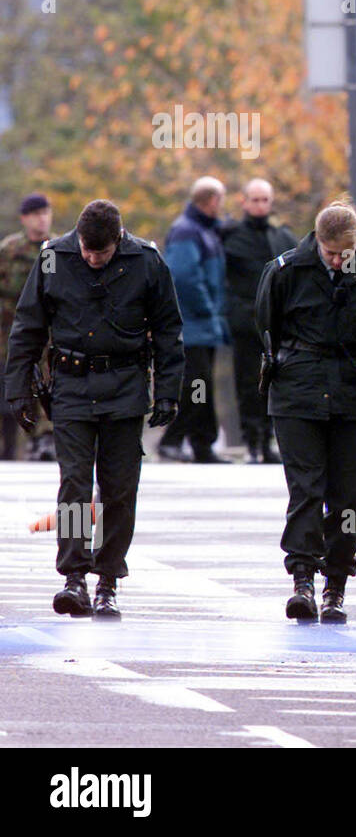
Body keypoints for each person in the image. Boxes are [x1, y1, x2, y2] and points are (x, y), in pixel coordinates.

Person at [4, 199, 184, 619]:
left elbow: (169, 330)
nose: (91, 257)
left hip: (124, 386)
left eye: (99, 252)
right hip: (70, 387)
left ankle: (108, 579)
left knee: (119, 489)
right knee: (74, 486)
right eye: (86, 249)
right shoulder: (54, 259)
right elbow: (27, 326)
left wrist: (170, 392)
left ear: (118, 240)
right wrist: (18, 390)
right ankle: (73, 577)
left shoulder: (147, 262)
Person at [255, 200, 356, 624]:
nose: (338, 261)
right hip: (298, 390)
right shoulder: (285, 270)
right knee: (306, 488)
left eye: (345, 253)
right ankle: (302, 578)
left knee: (348, 497)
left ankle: (337, 582)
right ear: (317, 240)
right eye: (331, 252)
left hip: (353, 390)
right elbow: (265, 322)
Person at [158, 176, 231, 463]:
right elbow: (185, 277)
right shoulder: (187, 231)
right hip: (192, 323)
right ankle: (172, 440)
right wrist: (207, 309)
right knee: (195, 386)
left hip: (203, 323)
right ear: (212, 201)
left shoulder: (203, 230)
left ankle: (202, 443)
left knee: (202, 385)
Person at [223, 179, 296, 464]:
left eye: (265, 200)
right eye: (255, 200)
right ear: (244, 201)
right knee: (246, 382)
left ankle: (265, 441)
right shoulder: (230, 237)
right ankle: (252, 441)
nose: (260, 205)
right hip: (243, 322)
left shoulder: (282, 238)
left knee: (273, 380)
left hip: (274, 323)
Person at [0, 194, 56, 460]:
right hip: (11, 334)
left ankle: (46, 439)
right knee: (16, 385)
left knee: (48, 383)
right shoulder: (9, 251)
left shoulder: (59, 249)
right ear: (25, 219)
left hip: (49, 333)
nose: (42, 219)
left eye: (45, 212)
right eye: (36, 214)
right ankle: (16, 444)